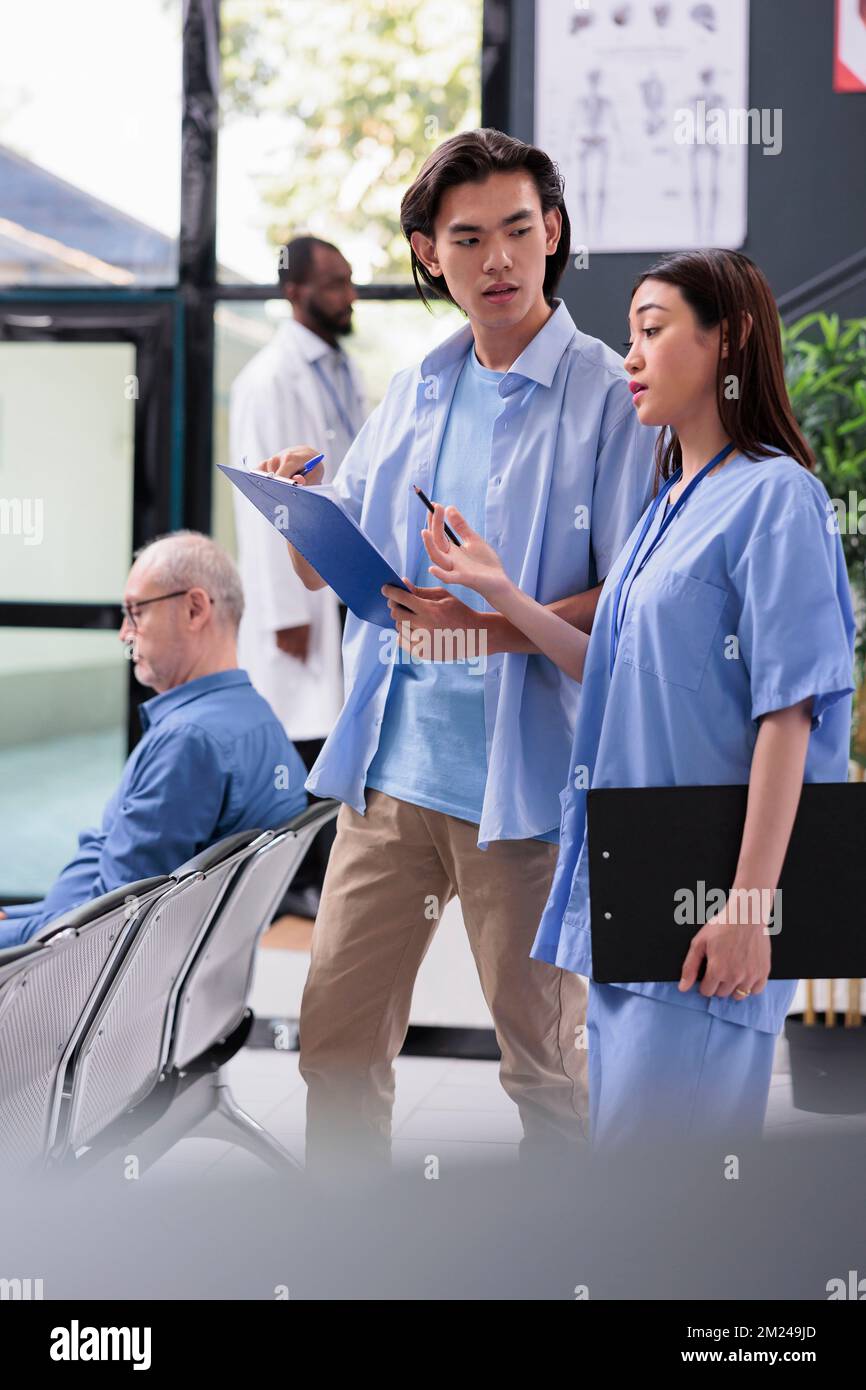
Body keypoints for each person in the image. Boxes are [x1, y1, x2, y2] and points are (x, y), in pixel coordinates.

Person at [259, 128, 657, 1174]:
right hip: (390, 775)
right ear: (429, 253)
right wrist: (303, 508)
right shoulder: (415, 388)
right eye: (467, 237)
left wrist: (487, 617)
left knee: (547, 1073)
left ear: (551, 233)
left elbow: (630, 595)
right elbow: (356, 569)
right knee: (335, 1047)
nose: (497, 260)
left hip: (519, 791)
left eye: (518, 231)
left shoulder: (609, 394)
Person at [419, 248, 856, 1148]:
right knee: (637, 1187)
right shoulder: (665, 508)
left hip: (710, 900)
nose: (631, 356)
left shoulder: (780, 499)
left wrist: (748, 908)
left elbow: (791, 711)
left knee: (673, 1197)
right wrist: (503, 595)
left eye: (653, 331)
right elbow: (609, 670)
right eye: (629, 336)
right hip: (634, 886)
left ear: (726, 340)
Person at [0, 532, 308, 948]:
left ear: (195, 608)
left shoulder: (188, 743)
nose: (124, 634)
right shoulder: (257, 719)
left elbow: (103, 926)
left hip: (65, 982)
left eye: (136, 612)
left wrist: (14, 932)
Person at [230, 235, 367, 916]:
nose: (348, 295)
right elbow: (265, 499)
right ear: (294, 291)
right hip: (297, 595)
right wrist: (285, 609)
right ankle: (292, 886)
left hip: (339, 580)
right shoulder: (270, 378)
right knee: (298, 736)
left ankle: (315, 878)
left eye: (349, 281)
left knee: (328, 729)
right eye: (335, 283)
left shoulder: (340, 369)